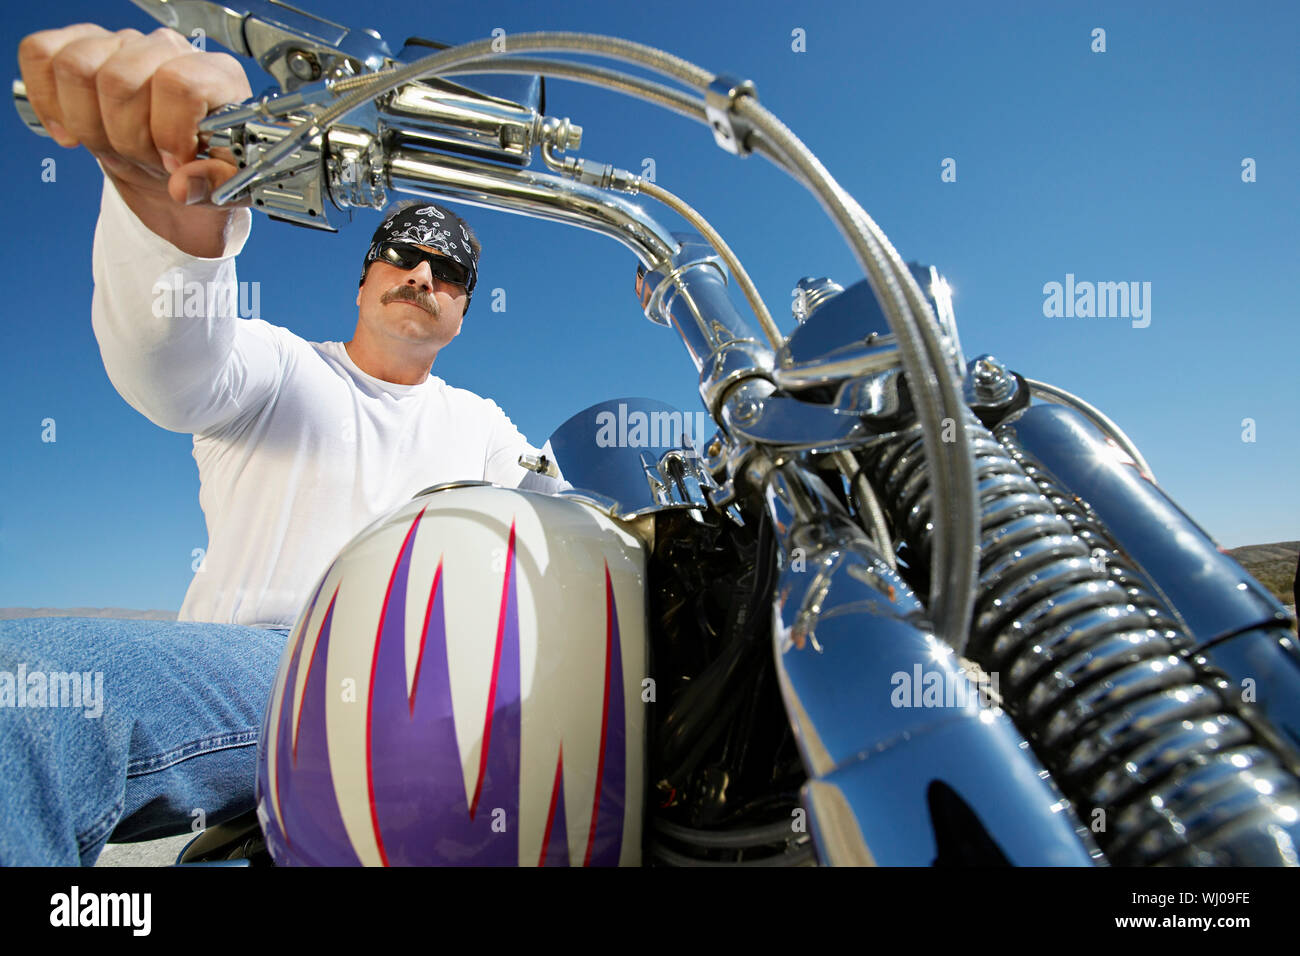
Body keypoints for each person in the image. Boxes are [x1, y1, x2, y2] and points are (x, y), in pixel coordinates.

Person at [0, 24, 559, 865]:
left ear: (465, 308)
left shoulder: (481, 424)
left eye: (450, 274)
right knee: (28, 694)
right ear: (366, 276)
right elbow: (172, 367)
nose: (424, 277)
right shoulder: (280, 367)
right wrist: (171, 227)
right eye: (404, 254)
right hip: (269, 666)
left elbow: (560, 507)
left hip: (432, 694)